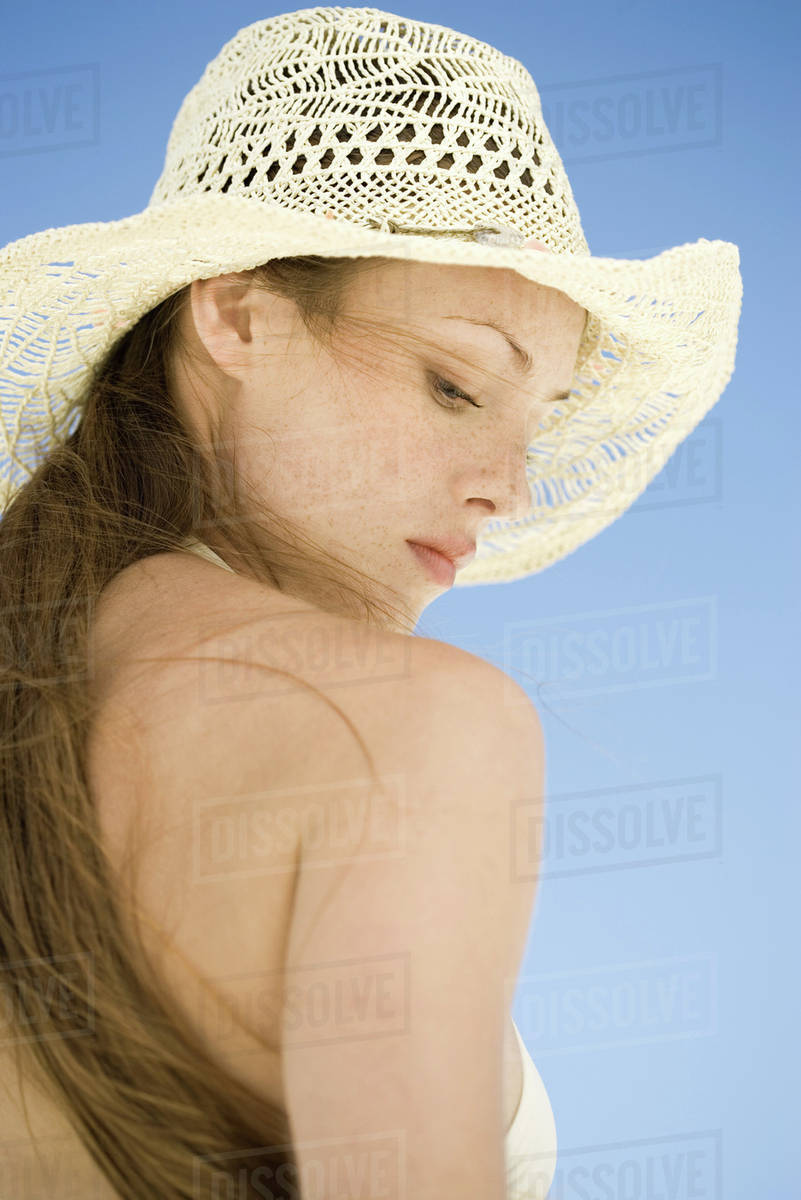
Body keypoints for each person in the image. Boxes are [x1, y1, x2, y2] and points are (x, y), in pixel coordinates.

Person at [0, 7, 742, 1199]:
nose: (508, 487)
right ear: (236, 315)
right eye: (457, 385)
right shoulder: (419, 726)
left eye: (535, 421)